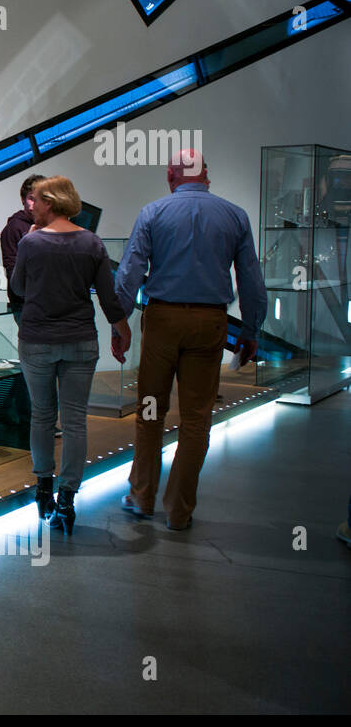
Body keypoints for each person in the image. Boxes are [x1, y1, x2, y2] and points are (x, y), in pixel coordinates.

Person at [113, 149, 266, 530]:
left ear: (171, 176)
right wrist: (250, 331)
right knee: (197, 419)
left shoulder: (153, 212)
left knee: (150, 411)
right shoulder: (235, 216)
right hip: (210, 323)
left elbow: (130, 271)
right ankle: (179, 512)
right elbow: (250, 280)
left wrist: (120, 323)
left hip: (162, 320)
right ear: (207, 176)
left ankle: (142, 497)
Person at [10, 176, 131, 534]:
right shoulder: (91, 243)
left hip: (37, 340)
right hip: (80, 340)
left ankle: (42, 488)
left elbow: (18, 287)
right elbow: (109, 297)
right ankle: (67, 498)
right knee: (75, 420)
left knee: (42, 416)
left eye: (37, 200)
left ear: (51, 203)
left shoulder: (31, 242)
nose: (32, 206)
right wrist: (122, 330)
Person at [0, 173, 45, 324]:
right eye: (31, 198)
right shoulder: (13, 228)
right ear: (23, 200)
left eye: (39, 199)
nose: (33, 205)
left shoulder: (50, 224)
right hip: (25, 304)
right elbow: (13, 272)